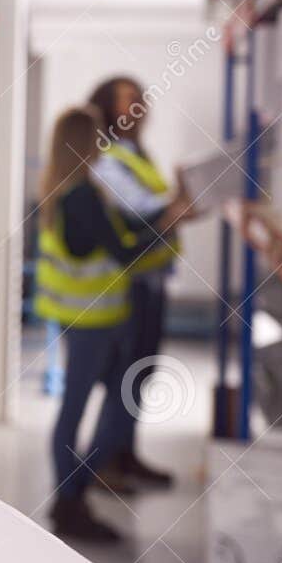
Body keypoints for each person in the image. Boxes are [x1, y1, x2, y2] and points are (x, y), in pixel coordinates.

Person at [34, 106, 193, 543]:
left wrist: (163, 216)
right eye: (96, 139)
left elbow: (118, 233)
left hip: (81, 318)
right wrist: (168, 221)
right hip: (94, 320)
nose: (103, 147)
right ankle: (70, 500)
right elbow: (125, 251)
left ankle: (72, 496)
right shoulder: (83, 195)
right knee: (91, 408)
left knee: (96, 403)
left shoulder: (62, 188)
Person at [87, 75, 188, 490]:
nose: (139, 107)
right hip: (128, 284)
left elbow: (156, 207)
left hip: (152, 278)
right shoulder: (107, 158)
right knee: (124, 376)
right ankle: (102, 463)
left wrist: (178, 205)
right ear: (107, 109)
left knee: (141, 374)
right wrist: (176, 205)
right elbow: (136, 210)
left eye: (142, 99)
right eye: (129, 100)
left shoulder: (136, 155)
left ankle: (124, 453)